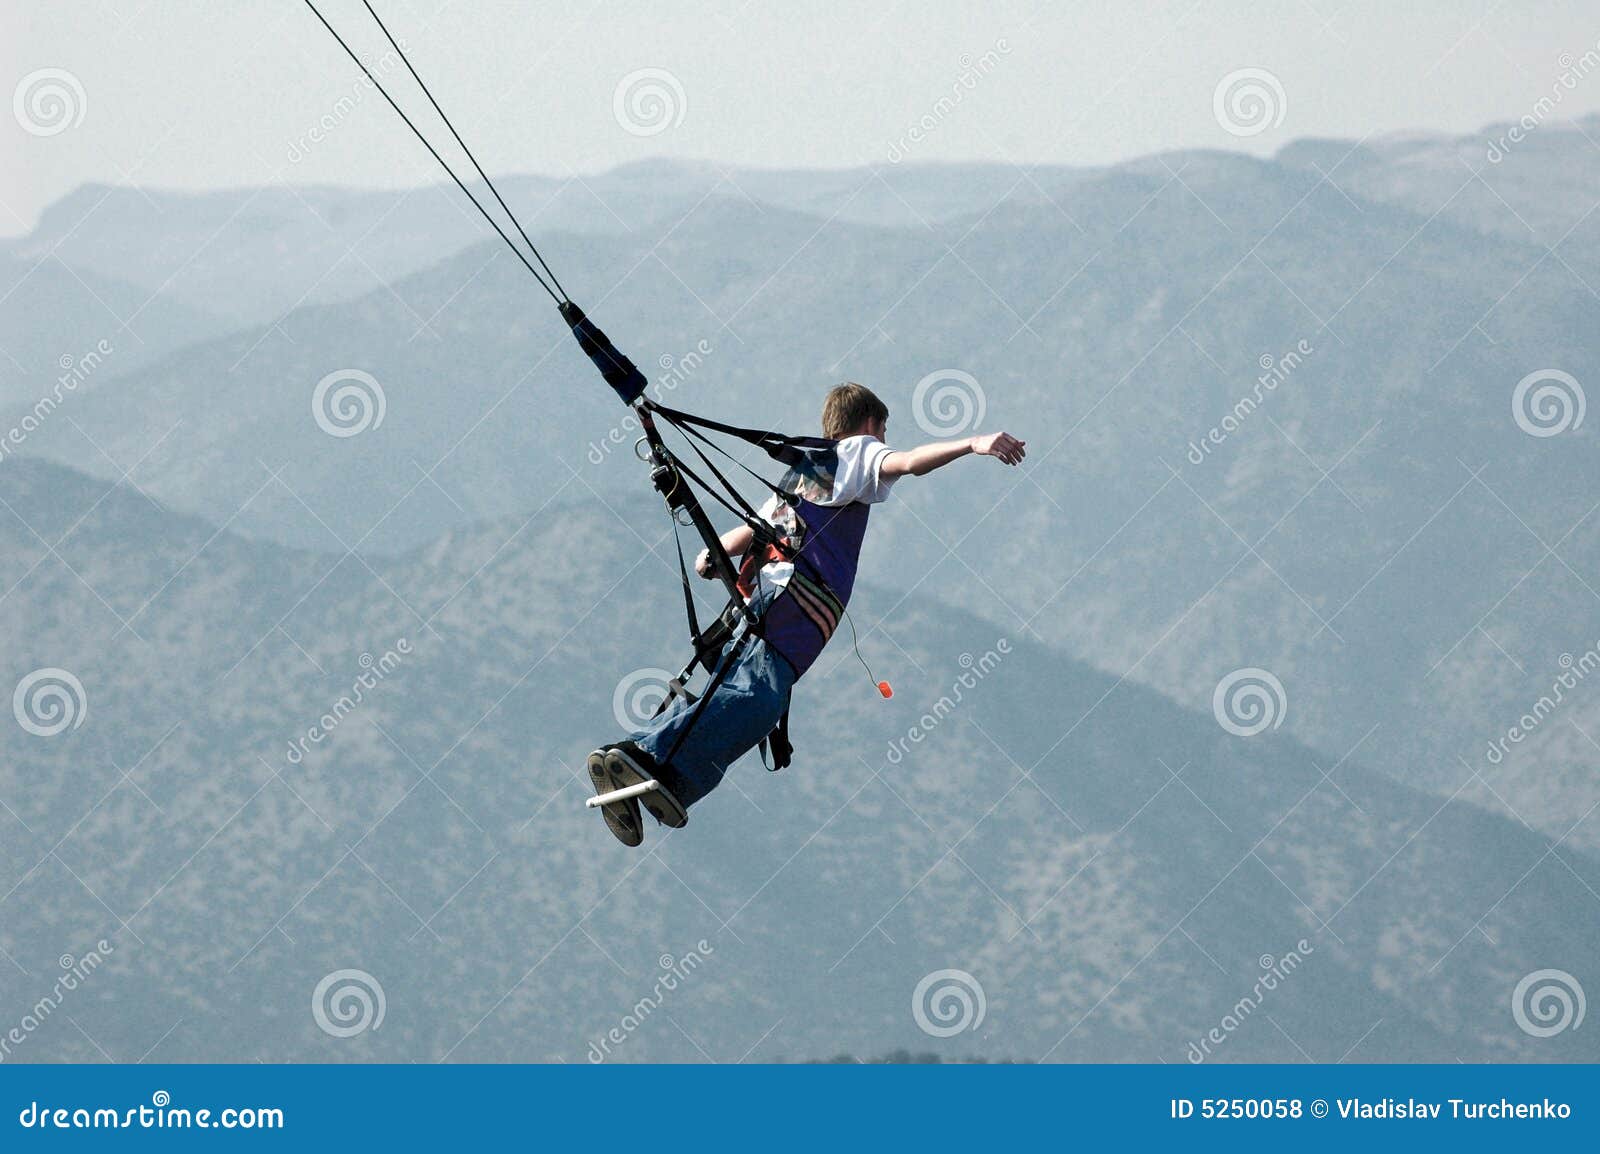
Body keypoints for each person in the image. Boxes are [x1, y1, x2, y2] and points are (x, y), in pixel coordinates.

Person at [587, 382, 1025, 845]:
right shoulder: (856, 454)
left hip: (766, 599)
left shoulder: (804, 472)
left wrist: (711, 556)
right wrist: (973, 443)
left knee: (739, 692)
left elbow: (757, 526)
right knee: (759, 700)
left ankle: (642, 766)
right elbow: (911, 463)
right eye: (883, 430)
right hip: (797, 603)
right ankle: (651, 757)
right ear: (871, 423)